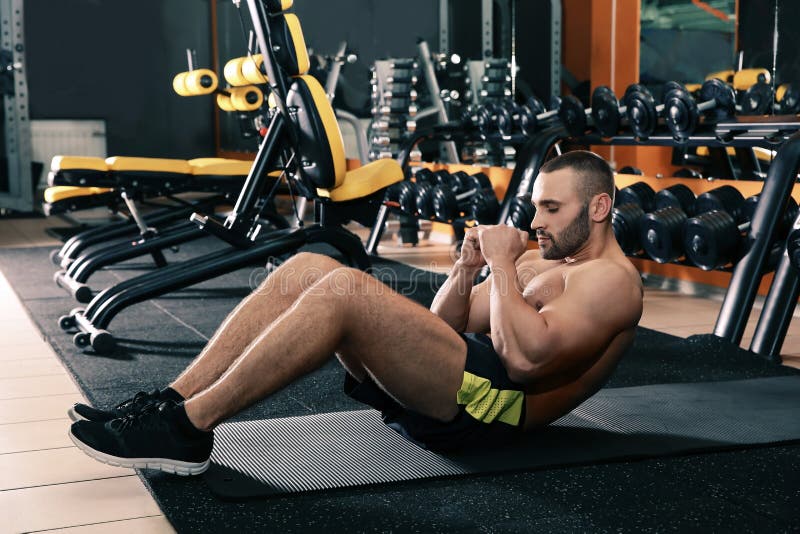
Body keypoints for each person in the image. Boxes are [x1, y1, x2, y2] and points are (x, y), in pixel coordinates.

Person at [68, 150, 643, 475]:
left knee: (344, 289)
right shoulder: (549, 262)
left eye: (550, 207)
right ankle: (172, 401)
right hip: (458, 381)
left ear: (598, 206)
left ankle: (190, 429)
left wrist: (506, 269)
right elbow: (447, 330)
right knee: (306, 268)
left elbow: (525, 363)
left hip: (494, 411)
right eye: (536, 206)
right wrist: (471, 271)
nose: (536, 220)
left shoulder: (613, 284)